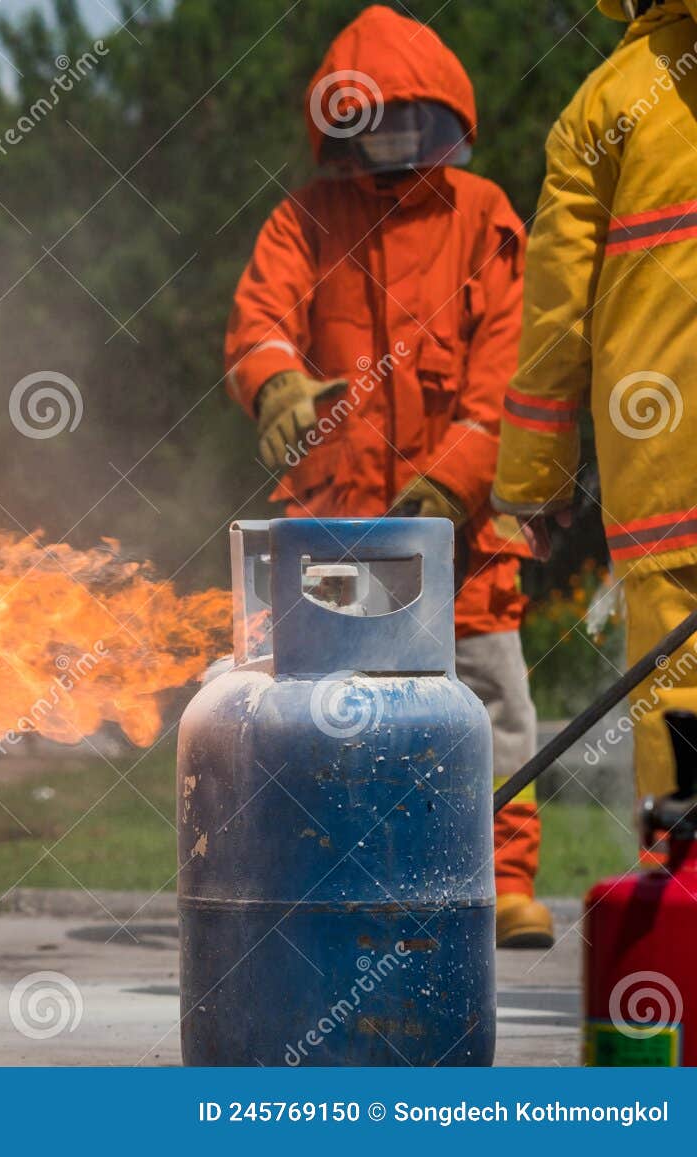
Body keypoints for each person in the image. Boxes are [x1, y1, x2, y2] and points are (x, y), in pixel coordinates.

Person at [225, 5, 552, 946]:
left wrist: (454, 483)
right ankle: (347, 887)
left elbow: (511, 376)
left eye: (413, 121)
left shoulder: (486, 216)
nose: (396, 144)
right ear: (339, 126)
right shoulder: (304, 219)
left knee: (488, 704)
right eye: (372, 122)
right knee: (337, 726)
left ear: (448, 117)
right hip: (340, 537)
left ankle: (503, 881)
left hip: (464, 536)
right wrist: (277, 381)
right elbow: (260, 321)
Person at [493, 0, 697, 810]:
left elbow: (554, 319)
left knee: (682, 693)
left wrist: (537, 479)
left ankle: (686, 903)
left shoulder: (606, 107)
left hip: (666, 472)